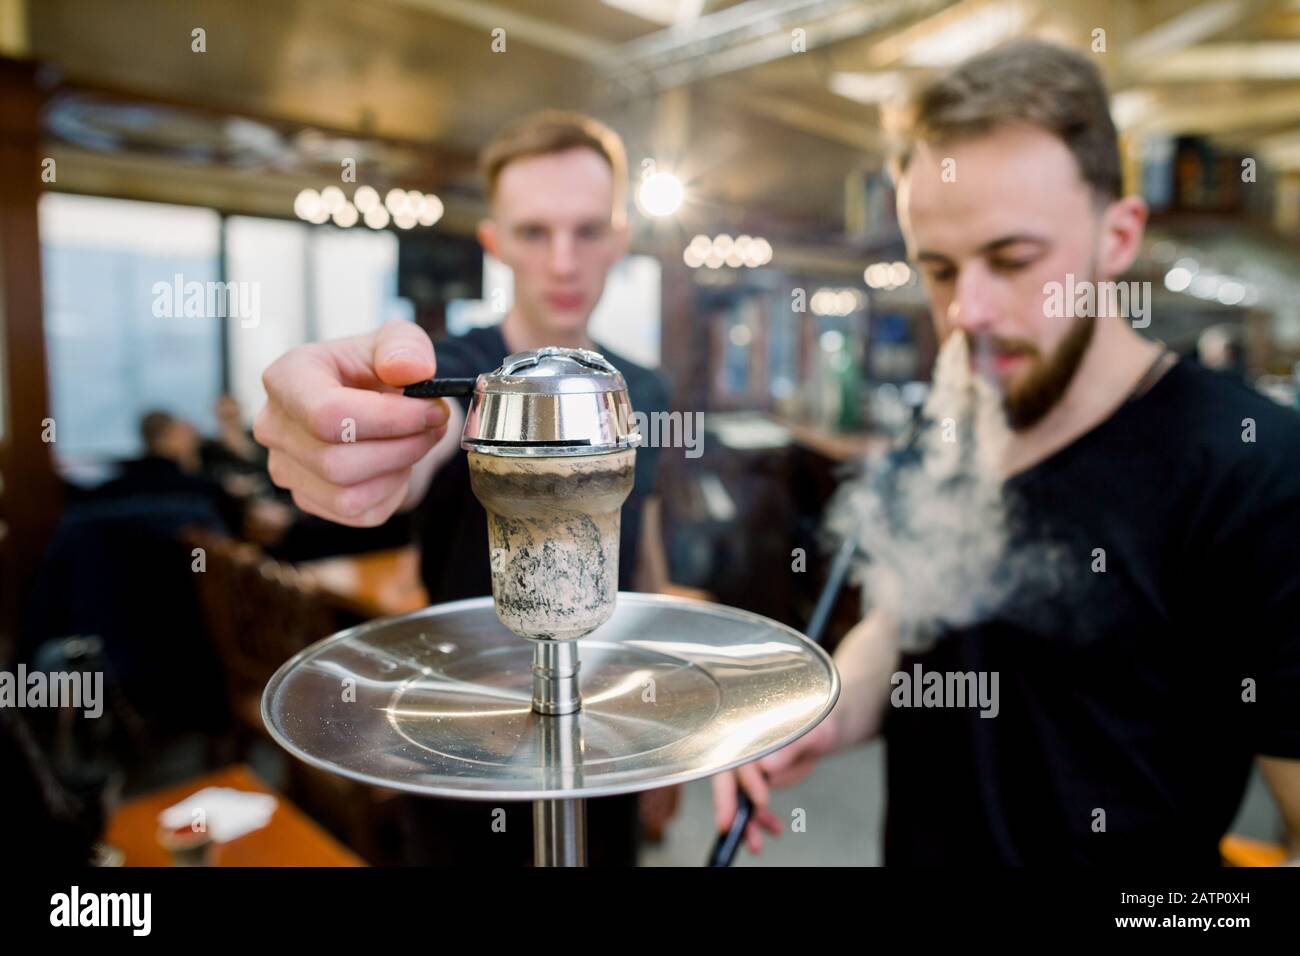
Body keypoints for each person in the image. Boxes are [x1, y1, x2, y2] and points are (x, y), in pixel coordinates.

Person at [713, 39, 1300, 865]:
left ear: (1118, 236)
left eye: (1014, 260)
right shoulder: (953, 408)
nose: (971, 315)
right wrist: (829, 710)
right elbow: (903, 619)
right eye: (941, 269)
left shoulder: (1257, 471)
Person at [255, 110, 671, 865]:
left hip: (601, 738)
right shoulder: (457, 373)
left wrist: (666, 718)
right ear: (496, 242)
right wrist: (350, 441)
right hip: (459, 740)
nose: (564, 261)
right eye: (535, 232)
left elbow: (643, 550)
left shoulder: (640, 387)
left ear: (620, 236)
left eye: (587, 231)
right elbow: (425, 433)